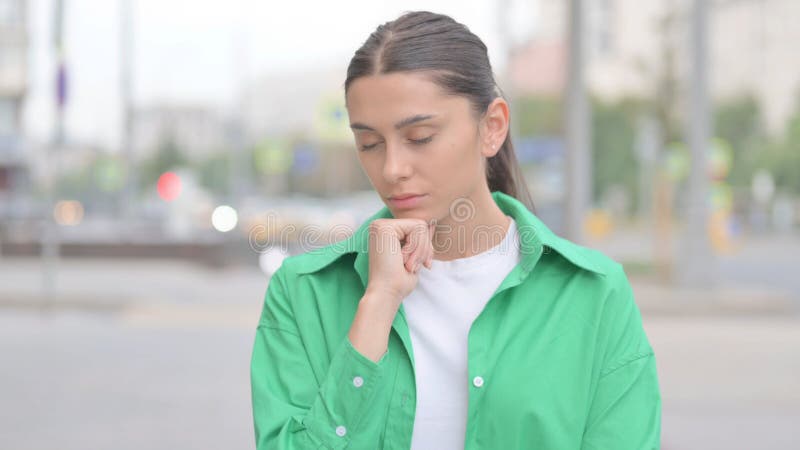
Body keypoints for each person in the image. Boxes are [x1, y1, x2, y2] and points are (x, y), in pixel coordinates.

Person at [250, 10, 661, 450]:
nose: (392, 169)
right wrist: (377, 306)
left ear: (492, 128)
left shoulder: (594, 295)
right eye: (369, 143)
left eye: (420, 136)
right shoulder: (301, 294)